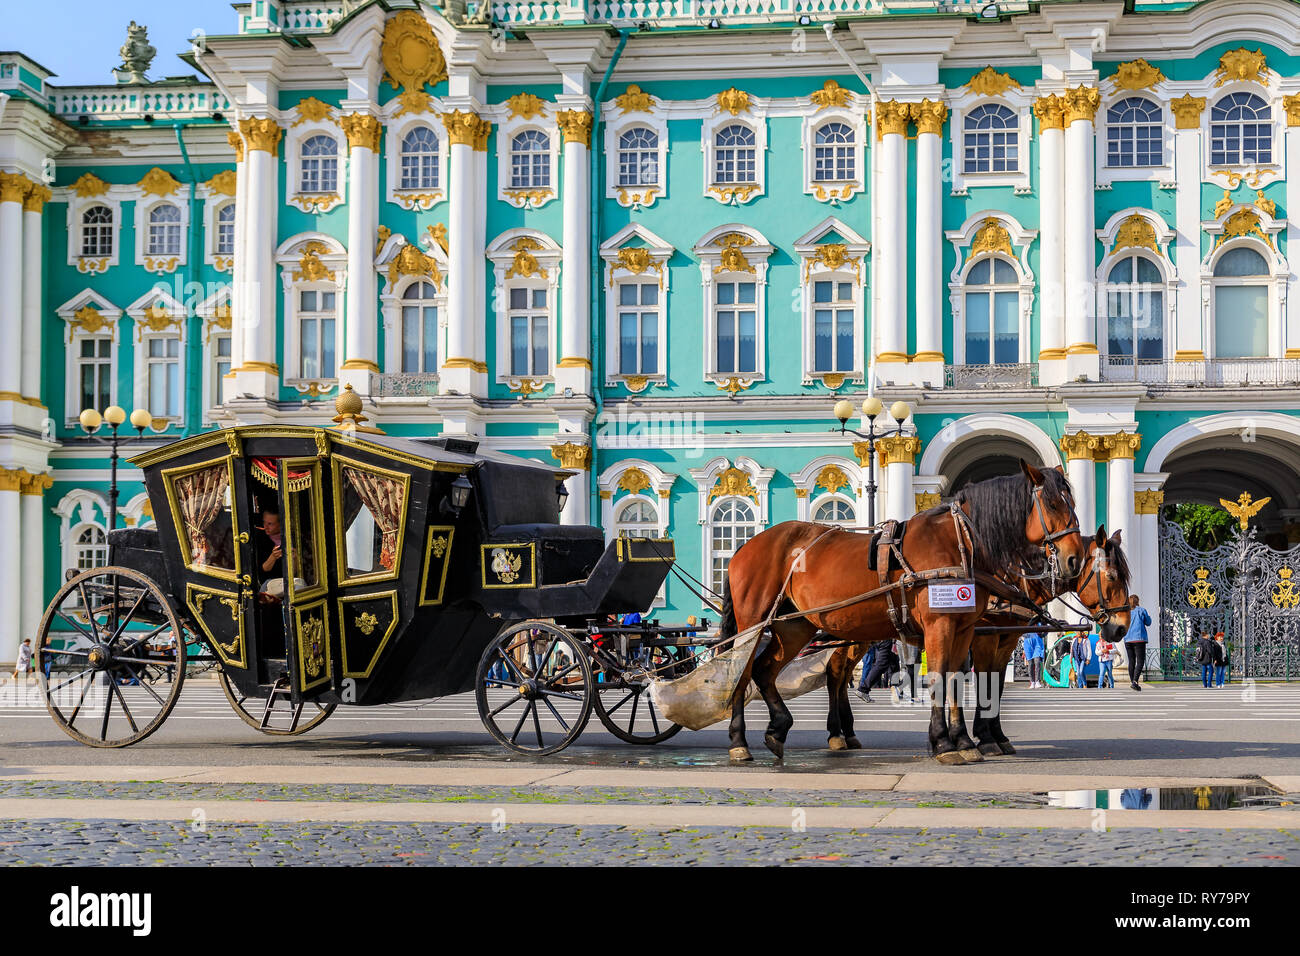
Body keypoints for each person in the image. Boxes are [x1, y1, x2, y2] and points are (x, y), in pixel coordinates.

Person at [1124, 594, 1152, 692]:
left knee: (1131, 661)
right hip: (1139, 638)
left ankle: (1133, 682)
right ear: (1137, 601)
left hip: (1127, 639)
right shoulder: (1141, 610)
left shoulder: (1125, 611)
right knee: (1140, 661)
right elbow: (1148, 622)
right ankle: (1135, 681)